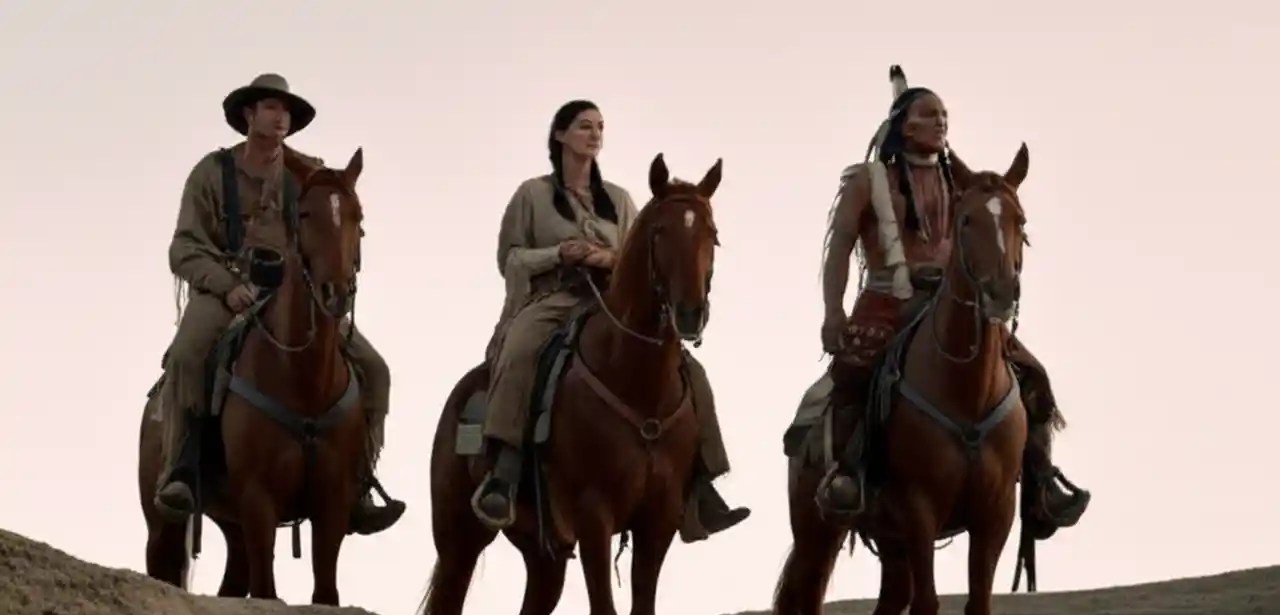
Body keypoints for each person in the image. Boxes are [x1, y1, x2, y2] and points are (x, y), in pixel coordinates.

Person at [815, 66, 1090, 535]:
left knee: (1031, 376)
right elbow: (839, 246)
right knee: (853, 374)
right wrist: (834, 311)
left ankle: (1041, 482)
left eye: (944, 114)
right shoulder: (868, 179)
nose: (941, 121)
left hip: (952, 303)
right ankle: (849, 473)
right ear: (905, 125)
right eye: (929, 113)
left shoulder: (961, 183)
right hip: (886, 301)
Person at [472, 99, 750, 542]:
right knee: (523, 349)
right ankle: (503, 474)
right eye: (584, 126)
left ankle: (701, 485)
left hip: (610, 303)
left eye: (600, 127)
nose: (595, 134)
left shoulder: (620, 200)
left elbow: (639, 256)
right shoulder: (532, 194)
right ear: (560, 135)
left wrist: (608, 256)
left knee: (688, 370)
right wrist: (558, 253)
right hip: (552, 299)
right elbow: (509, 259)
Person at [154, 73, 405, 535]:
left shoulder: (310, 172)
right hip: (225, 289)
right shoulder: (212, 172)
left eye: (287, 111)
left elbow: (335, 230)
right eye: (271, 107)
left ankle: (361, 480)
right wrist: (227, 284)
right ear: (249, 115)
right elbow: (184, 248)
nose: (281, 118)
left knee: (376, 368)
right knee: (189, 353)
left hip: (294, 293)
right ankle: (182, 468)